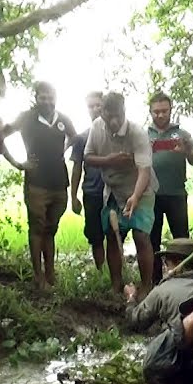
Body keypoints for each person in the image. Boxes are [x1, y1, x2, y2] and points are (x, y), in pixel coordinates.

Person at [0, 81, 76, 290]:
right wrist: (17, 163)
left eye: (51, 97)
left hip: (59, 184)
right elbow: (1, 135)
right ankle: (38, 276)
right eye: (43, 97)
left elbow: (75, 137)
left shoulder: (63, 119)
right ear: (36, 97)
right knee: (37, 228)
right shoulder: (25, 118)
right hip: (36, 184)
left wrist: (65, 149)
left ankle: (51, 274)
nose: (47, 101)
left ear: (56, 98)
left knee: (51, 229)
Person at [84, 91, 158, 297]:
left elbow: (144, 171)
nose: (114, 121)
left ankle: (146, 287)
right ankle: (116, 286)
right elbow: (88, 157)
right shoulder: (97, 127)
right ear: (103, 113)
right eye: (109, 117)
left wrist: (135, 197)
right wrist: (110, 160)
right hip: (113, 192)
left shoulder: (137, 133)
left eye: (118, 115)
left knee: (141, 235)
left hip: (140, 191)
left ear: (124, 111)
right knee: (112, 235)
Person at [147, 92, 193, 283]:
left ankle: (187, 280)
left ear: (171, 110)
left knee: (181, 240)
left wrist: (187, 150)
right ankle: (155, 283)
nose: (160, 115)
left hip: (176, 195)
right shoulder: (144, 135)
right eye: (156, 112)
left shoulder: (182, 134)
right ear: (150, 112)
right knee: (152, 241)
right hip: (151, 196)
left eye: (164, 111)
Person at [124, 237, 193, 334]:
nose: (164, 267)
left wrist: (131, 298)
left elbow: (136, 321)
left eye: (166, 263)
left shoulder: (163, 290)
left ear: (179, 265)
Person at [70, 91, 108, 270]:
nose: (95, 109)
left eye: (98, 105)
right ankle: (101, 271)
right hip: (92, 192)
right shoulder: (82, 138)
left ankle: (116, 271)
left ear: (104, 106)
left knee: (116, 232)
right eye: (91, 106)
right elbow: (77, 167)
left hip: (114, 192)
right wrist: (73, 196)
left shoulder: (116, 134)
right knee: (95, 236)